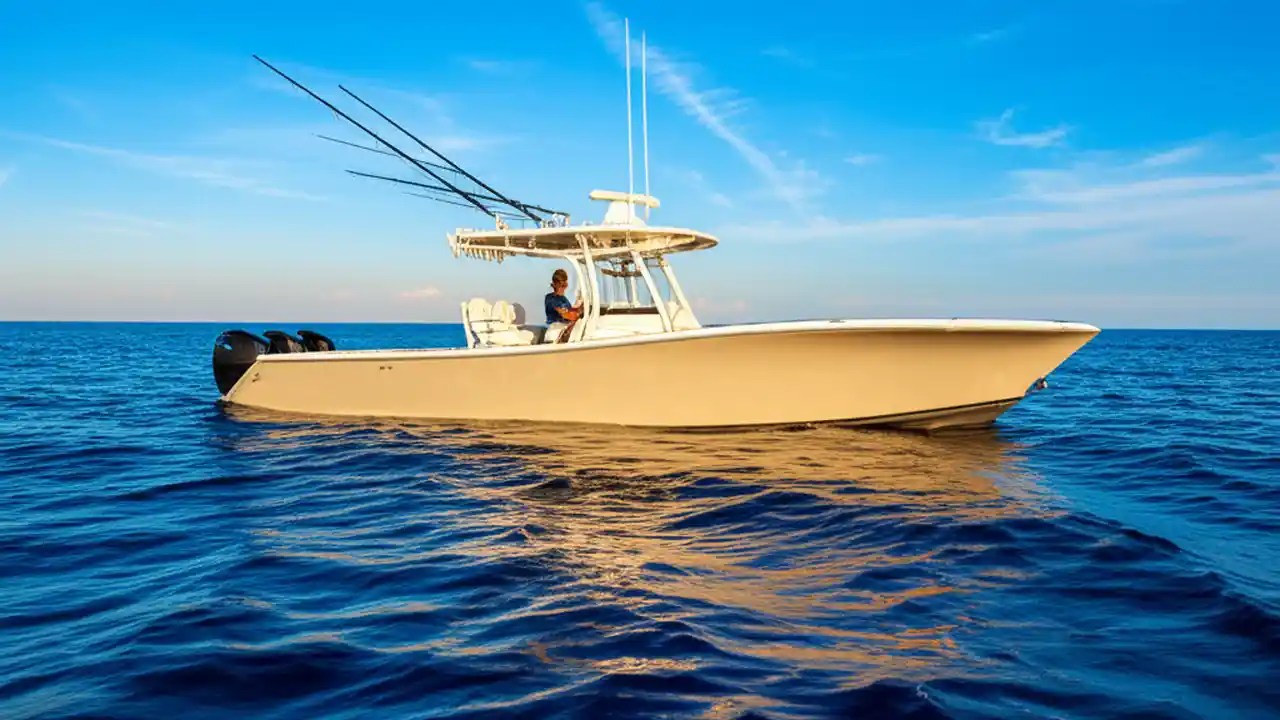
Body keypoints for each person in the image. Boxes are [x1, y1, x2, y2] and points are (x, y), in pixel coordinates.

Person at [544, 268, 583, 342]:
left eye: (565, 285)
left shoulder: (564, 299)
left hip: (564, 330)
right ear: (554, 285)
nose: (563, 288)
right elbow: (564, 314)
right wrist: (576, 314)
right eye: (561, 285)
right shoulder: (550, 298)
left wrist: (580, 308)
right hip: (554, 333)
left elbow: (570, 311)